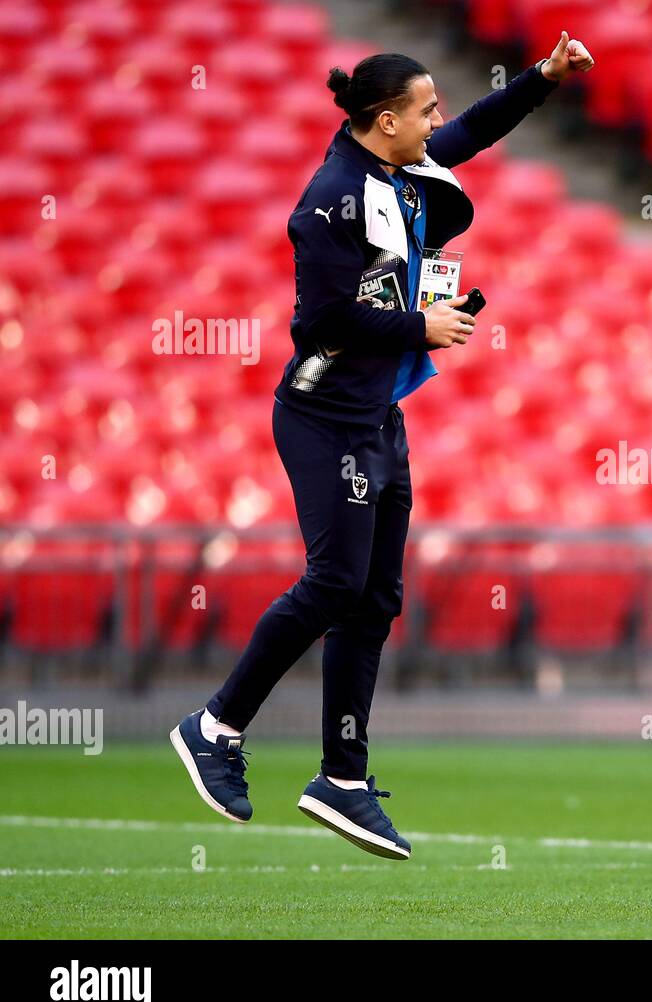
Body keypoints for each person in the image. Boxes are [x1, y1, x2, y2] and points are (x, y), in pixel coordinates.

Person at [170, 37, 595, 860]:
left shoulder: (399, 170)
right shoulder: (329, 201)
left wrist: (541, 79)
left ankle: (344, 778)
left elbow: (469, 133)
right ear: (385, 119)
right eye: (425, 108)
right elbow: (319, 324)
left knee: (375, 598)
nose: (438, 119)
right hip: (323, 416)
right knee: (334, 581)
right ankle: (214, 726)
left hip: (377, 417)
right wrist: (419, 326)